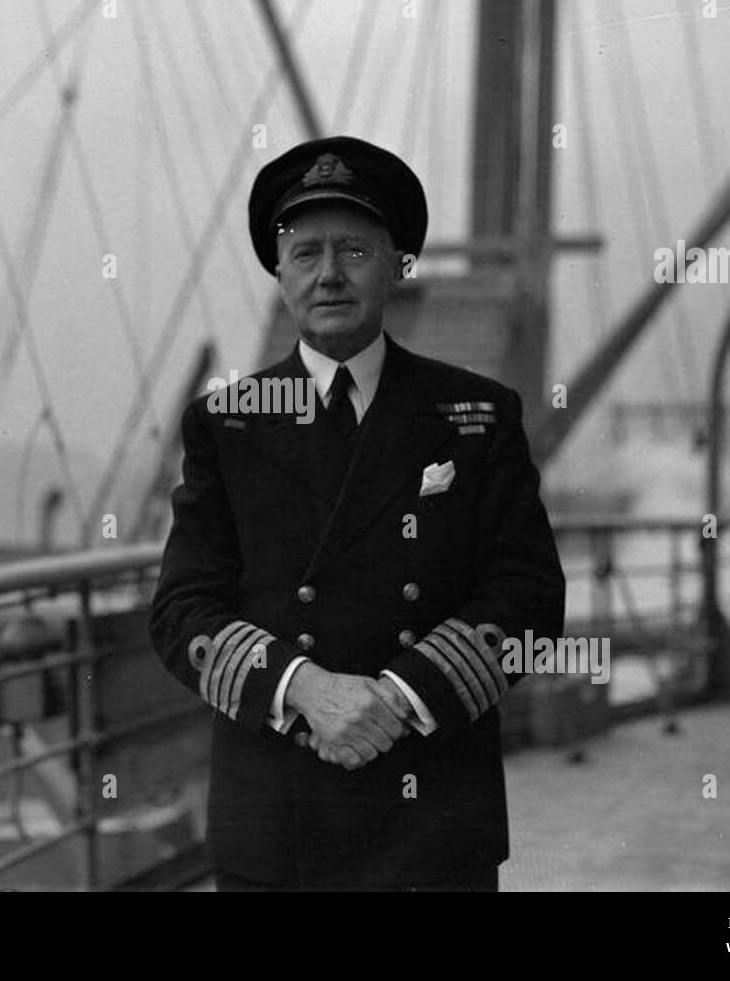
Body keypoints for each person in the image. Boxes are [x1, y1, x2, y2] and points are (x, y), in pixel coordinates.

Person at [149, 135, 565, 891]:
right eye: (305, 253)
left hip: (433, 819)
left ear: (398, 266)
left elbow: (531, 599)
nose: (329, 275)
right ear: (279, 273)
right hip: (276, 823)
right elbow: (182, 610)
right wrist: (305, 689)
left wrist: (397, 700)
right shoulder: (227, 423)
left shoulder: (476, 413)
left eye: (355, 251)